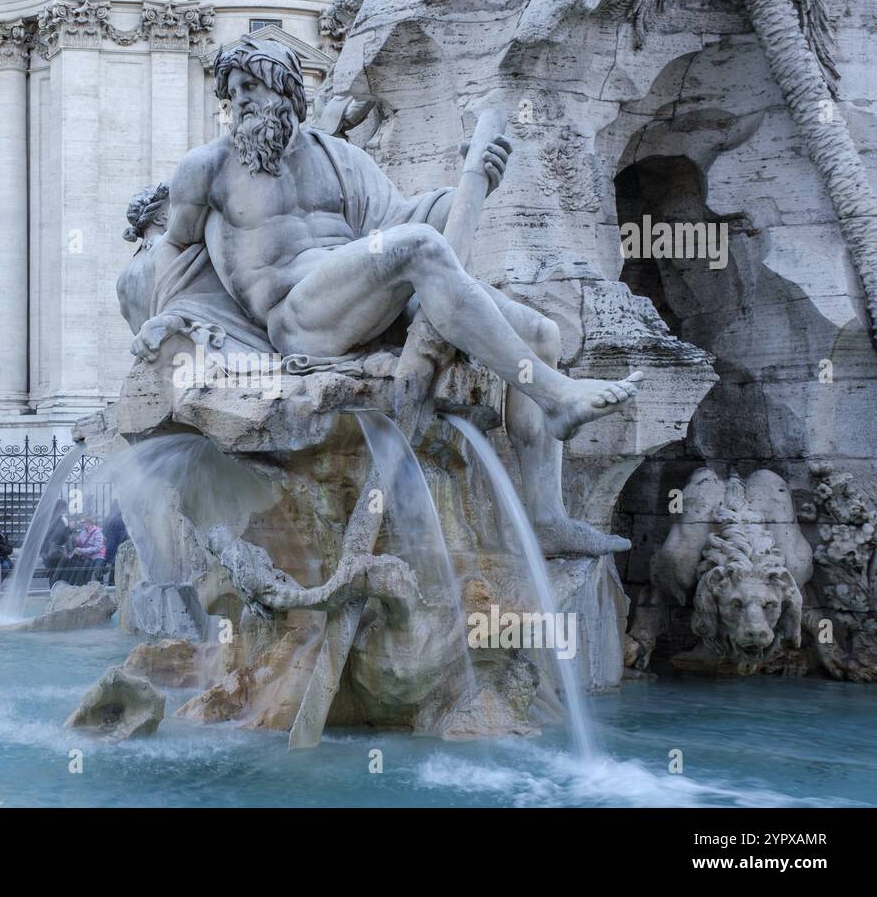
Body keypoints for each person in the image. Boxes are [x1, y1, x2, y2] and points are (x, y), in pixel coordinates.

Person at [124, 37, 643, 557]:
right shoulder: (207, 166)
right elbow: (175, 244)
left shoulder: (339, 158)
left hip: (366, 303)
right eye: (233, 92)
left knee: (541, 332)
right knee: (419, 248)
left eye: (252, 87)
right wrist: (165, 321)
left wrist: (473, 181)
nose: (240, 101)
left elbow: (401, 220)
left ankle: (546, 518)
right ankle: (557, 397)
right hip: (297, 317)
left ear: (286, 89)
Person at [39, 499, 73, 584]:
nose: (65, 511)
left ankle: (54, 591)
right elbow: (60, 539)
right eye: (64, 509)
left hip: (47, 552)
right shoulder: (58, 520)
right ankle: (56, 592)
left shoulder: (50, 519)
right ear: (60, 509)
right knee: (57, 575)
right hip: (54, 553)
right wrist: (69, 529)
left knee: (54, 575)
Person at [102, 504, 128, 584]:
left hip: (109, 546)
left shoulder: (107, 518)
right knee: (117, 568)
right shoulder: (119, 520)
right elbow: (122, 536)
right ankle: (113, 584)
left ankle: (109, 583)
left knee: (113, 567)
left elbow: (104, 532)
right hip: (116, 546)